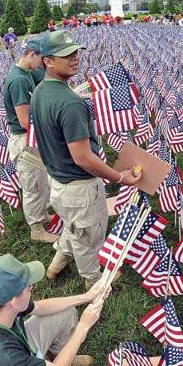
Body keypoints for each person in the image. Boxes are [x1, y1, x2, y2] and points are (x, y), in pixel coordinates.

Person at [31, 30, 141, 289]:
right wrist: (120, 178)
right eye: (65, 55)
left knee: (74, 226)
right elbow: (83, 158)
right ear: (48, 61)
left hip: (57, 182)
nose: (74, 58)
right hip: (80, 188)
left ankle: (57, 263)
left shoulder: (40, 92)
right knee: (89, 238)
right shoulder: (70, 103)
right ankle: (94, 282)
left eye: (75, 52)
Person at [2, 37, 57, 244]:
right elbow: (25, 120)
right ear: (32, 55)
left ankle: (42, 216)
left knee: (41, 179)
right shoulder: (19, 80)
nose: (43, 64)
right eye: (42, 59)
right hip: (25, 139)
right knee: (33, 185)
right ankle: (36, 228)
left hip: (30, 137)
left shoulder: (25, 74)